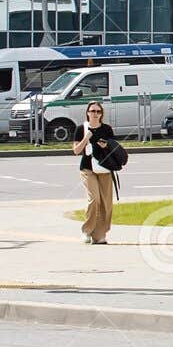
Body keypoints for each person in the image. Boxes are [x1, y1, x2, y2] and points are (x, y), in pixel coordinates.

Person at [73, 100, 116, 244]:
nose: (96, 114)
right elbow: (76, 150)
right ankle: (87, 230)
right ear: (87, 113)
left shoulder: (107, 129)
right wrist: (86, 138)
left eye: (98, 111)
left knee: (106, 203)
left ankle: (100, 235)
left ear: (101, 114)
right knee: (94, 199)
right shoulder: (81, 129)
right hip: (87, 168)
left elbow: (114, 148)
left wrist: (106, 146)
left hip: (104, 168)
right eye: (93, 111)